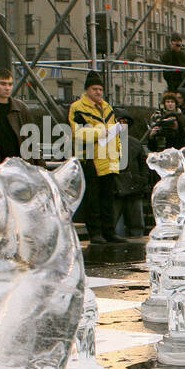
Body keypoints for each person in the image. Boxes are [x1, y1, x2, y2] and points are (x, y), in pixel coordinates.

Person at [68, 70, 123, 242]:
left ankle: (109, 231)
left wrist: (118, 150)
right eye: (94, 89)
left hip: (108, 158)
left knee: (107, 197)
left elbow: (114, 132)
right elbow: (78, 133)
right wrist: (102, 131)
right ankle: (96, 233)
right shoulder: (77, 108)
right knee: (93, 198)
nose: (98, 92)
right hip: (89, 158)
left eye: (100, 89)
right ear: (87, 90)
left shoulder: (107, 107)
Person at [112, 112, 151, 237]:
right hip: (114, 189)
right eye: (120, 122)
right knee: (113, 226)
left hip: (134, 189)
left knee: (137, 226)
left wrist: (141, 180)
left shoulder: (135, 143)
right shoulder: (105, 143)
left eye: (126, 123)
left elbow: (144, 165)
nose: (123, 125)